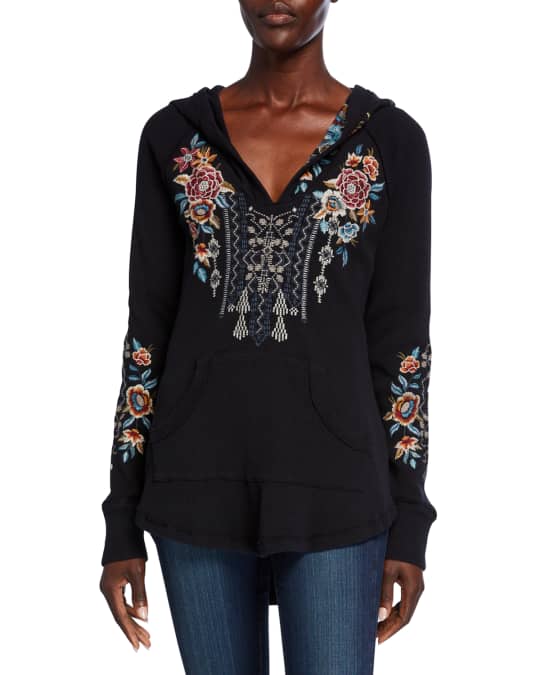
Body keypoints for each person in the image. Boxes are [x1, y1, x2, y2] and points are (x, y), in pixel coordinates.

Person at [99, 1, 437, 673]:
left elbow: (403, 347)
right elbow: (146, 338)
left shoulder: (390, 142)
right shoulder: (173, 138)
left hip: (340, 490)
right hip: (194, 487)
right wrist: (121, 521)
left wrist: (410, 522)